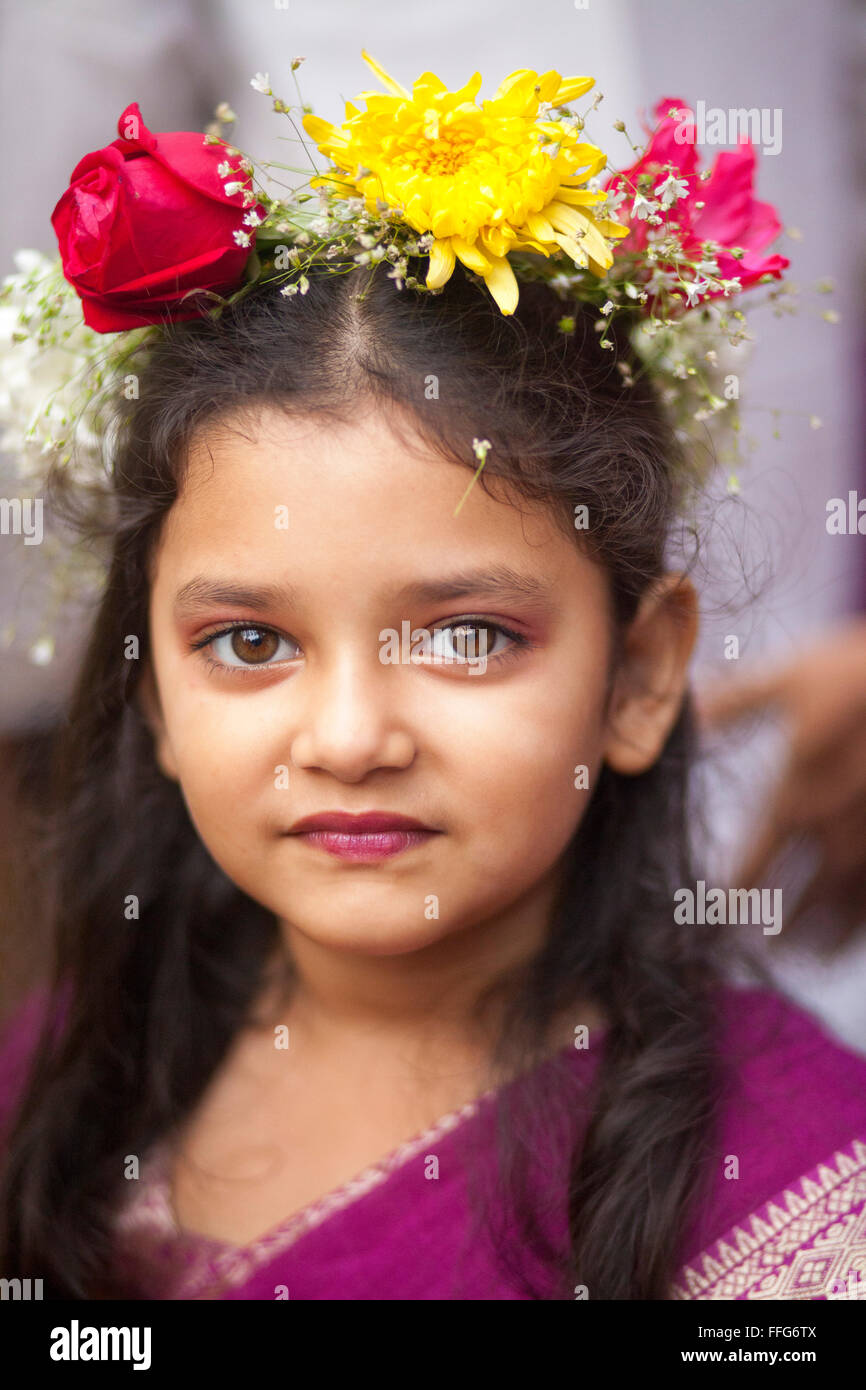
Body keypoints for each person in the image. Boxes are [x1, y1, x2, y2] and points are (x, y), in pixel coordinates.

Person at [0, 59, 864, 1302]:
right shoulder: (72, 1070)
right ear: (151, 698)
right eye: (249, 643)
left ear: (637, 677)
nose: (350, 737)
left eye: (465, 638)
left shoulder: (788, 1198)